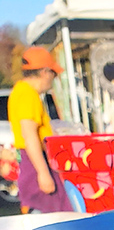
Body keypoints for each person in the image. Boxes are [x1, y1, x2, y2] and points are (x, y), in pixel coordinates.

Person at [8, 46, 72, 213]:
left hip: (34, 162)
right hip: (36, 163)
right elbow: (29, 136)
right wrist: (43, 173)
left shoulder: (20, 91)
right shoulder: (28, 95)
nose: (53, 79)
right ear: (45, 72)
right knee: (54, 218)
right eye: (53, 74)